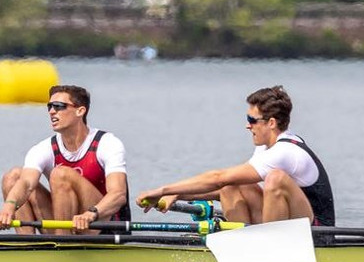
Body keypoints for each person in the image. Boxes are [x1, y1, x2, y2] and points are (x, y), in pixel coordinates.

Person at [137, 85, 336, 226]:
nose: (247, 125)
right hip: (290, 227)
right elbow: (221, 185)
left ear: (271, 123)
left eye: (252, 119)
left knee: (274, 179)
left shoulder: (285, 152)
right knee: (233, 185)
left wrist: (162, 190)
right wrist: (178, 194)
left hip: (316, 232)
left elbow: (217, 178)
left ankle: (270, 249)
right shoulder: (265, 149)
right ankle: (244, 249)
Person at [0, 85, 130, 234]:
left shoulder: (107, 143)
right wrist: (9, 206)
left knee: (60, 174)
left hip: (101, 225)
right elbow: (26, 183)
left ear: (80, 111)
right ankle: (27, 247)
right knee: (13, 177)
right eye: (49, 106)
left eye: (59, 106)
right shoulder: (43, 148)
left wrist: (91, 213)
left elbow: (118, 194)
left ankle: (63, 244)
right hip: (68, 223)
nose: (52, 111)